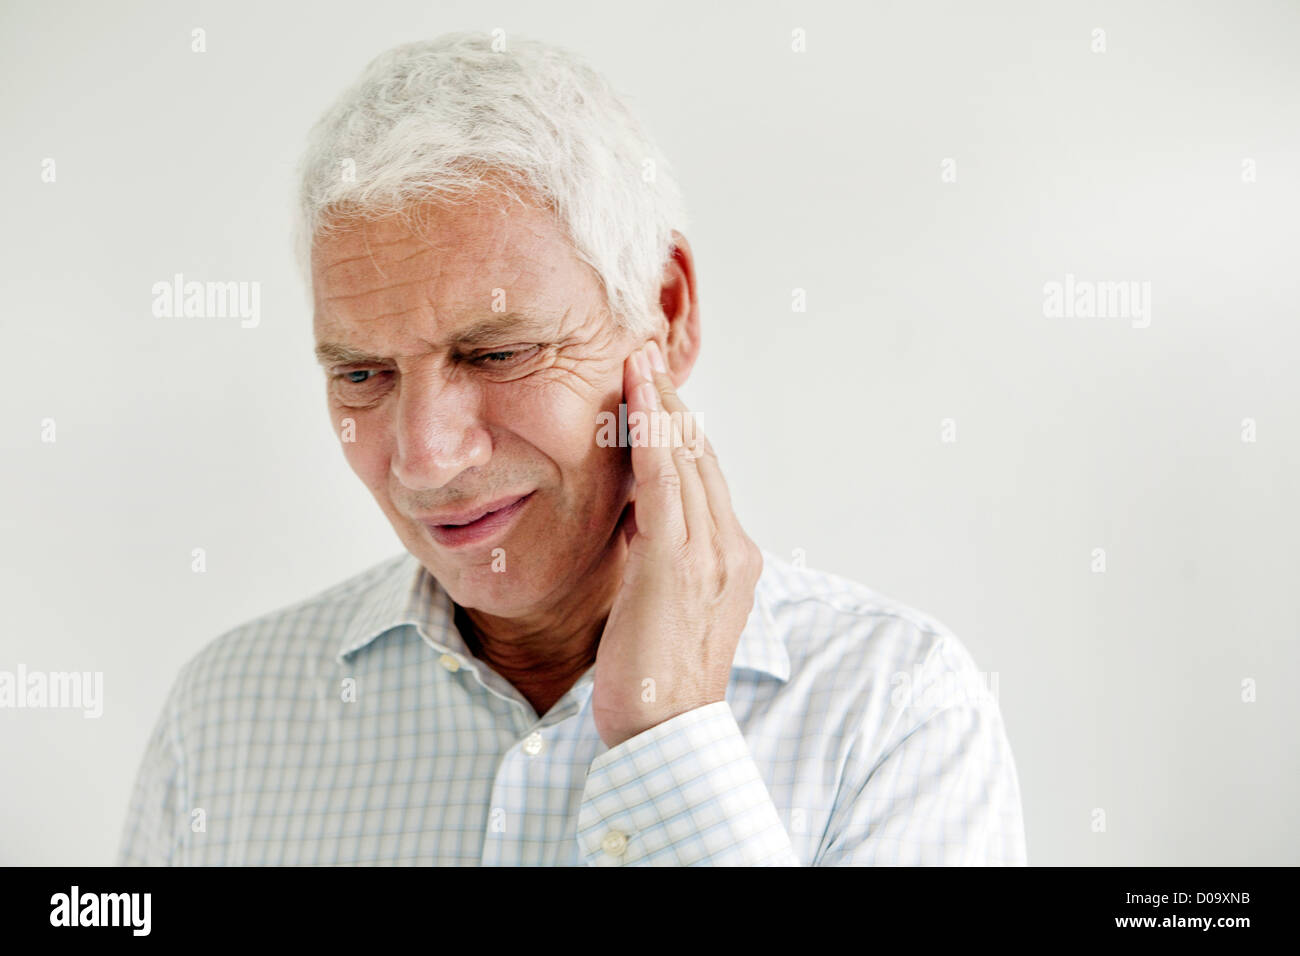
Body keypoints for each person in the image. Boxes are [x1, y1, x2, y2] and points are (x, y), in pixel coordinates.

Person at [118, 31, 1026, 866]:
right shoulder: (222, 715)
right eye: (362, 374)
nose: (425, 458)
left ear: (665, 312)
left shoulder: (896, 713)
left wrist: (670, 739)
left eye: (500, 353)